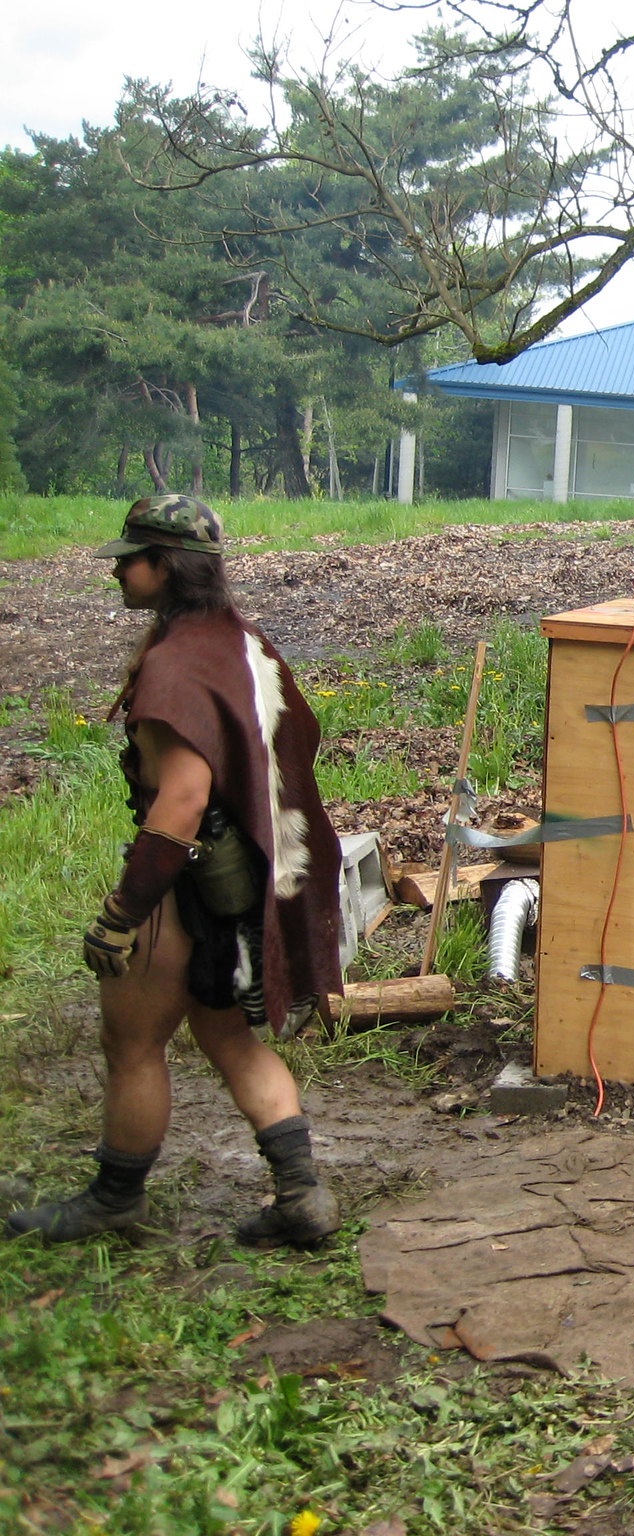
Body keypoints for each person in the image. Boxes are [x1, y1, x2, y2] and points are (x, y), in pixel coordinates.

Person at [5, 496, 345, 1246]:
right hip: (242, 889)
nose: (119, 570)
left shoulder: (176, 667)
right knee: (230, 1040)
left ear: (166, 567)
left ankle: (114, 1198)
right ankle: (302, 1197)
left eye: (131, 557)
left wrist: (124, 911)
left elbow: (183, 801)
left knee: (131, 1045)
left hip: (186, 890)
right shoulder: (238, 641)